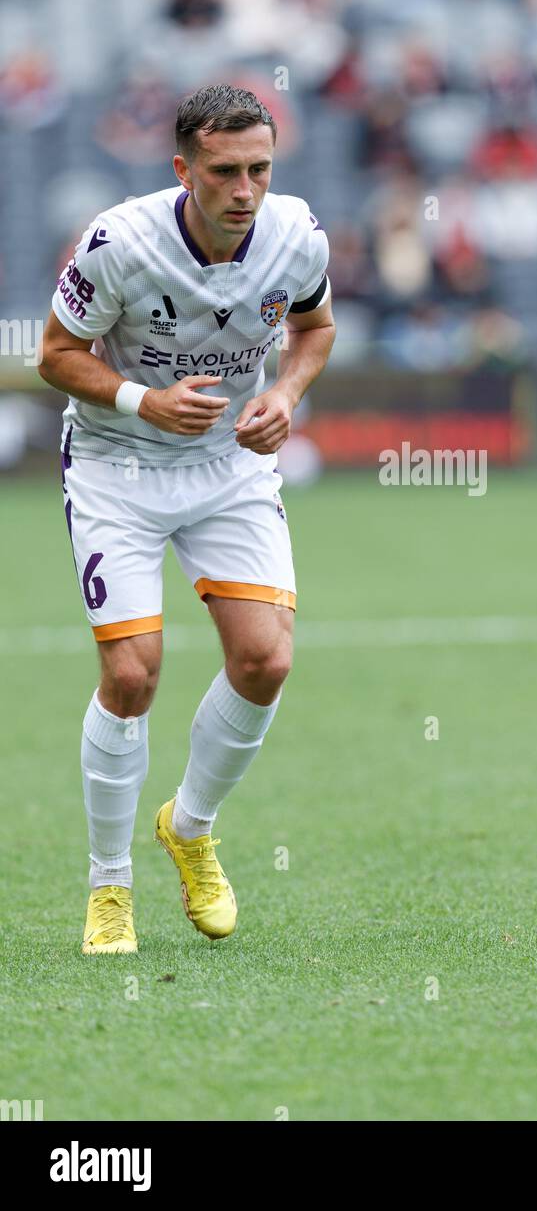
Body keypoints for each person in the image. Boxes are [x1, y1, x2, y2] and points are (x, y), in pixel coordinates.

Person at [38, 83, 336, 954]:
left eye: (259, 170)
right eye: (224, 171)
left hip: (228, 465)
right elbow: (54, 354)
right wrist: (141, 398)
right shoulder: (119, 243)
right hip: (117, 465)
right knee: (132, 677)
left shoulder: (296, 234)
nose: (245, 190)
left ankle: (191, 826)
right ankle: (109, 888)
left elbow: (315, 328)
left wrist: (284, 392)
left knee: (266, 659)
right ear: (183, 170)